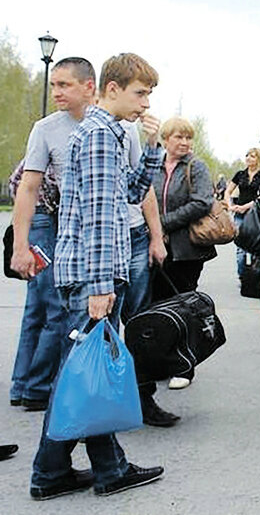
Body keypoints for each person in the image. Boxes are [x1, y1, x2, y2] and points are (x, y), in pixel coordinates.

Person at [30, 52, 165, 500]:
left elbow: (127, 192)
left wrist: (152, 150)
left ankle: (74, 471)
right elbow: (101, 218)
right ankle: (75, 472)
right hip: (93, 275)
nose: (145, 103)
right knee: (82, 377)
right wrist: (102, 286)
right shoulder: (102, 137)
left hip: (88, 273)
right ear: (112, 89)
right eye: (140, 93)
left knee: (85, 375)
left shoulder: (103, 133)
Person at [8, 58, 96, 412]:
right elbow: (25, 187)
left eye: (64, 85)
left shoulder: (105, 126)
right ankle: (34, 386)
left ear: (89, 86)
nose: (56, 92)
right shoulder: (45, 128)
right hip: (46, 219)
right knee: (49, 307)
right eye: (53, 85)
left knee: (43, 308)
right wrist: (20, 245)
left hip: (71, 224)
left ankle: (27, 384)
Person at [149, 117, 217, 390]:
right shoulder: (152, 165)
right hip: (155, 247)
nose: (185, 143)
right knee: (155, 305)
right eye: (179, 137)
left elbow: (202, 202)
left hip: (187, 250)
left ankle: (184, 367)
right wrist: (154, 230)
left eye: (188, 138)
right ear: (166, 139)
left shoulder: (195, 166)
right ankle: (161, 361)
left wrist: (163, 224)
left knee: (184, 306)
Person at [116, 118, 176, 427]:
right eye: (141, 93)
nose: (144, 105)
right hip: (97, 244)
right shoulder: (52, 129)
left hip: (135, 235)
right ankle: (99, 408)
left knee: (141, 325)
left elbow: (143, 188)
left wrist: (155, 236)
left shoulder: (127, 131)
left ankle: (143, 399)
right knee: (98, 331)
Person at [225, 148, 260, 288]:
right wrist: (230, 205)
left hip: (255, 214)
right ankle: (242, 276)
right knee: (240, 248)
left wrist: (246, 207)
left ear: (258, 159)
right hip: (239, 214)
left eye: (253, 156)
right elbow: (228, 191)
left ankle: (254, 277)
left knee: (255, 247)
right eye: (247, 155)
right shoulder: (240, 174)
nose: (249, 158)